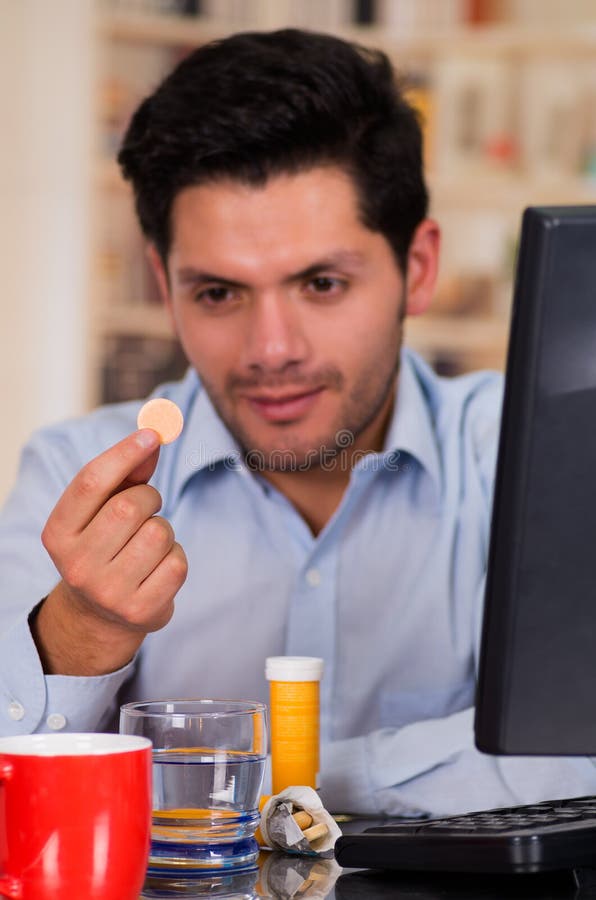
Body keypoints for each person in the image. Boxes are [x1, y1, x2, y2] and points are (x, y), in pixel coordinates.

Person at [1, 28, 594, 818]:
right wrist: (82, 629)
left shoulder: (522, 463)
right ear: (163, 283)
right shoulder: (71, 473)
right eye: (217, 293)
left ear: (417, 269)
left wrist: (273, 782)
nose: (270, 350)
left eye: (320, 283)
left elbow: (574, 753)